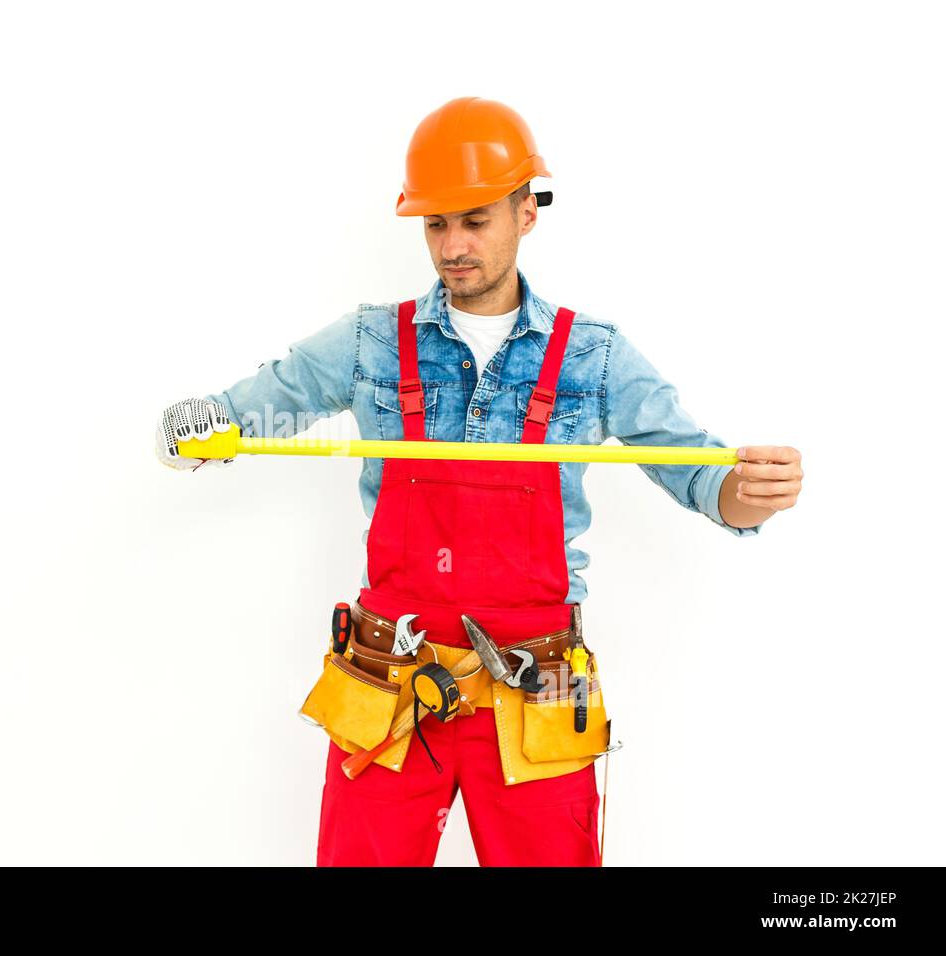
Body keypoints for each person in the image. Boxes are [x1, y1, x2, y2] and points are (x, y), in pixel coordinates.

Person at [156, 96, 804, 866]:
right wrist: (189, 432)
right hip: (392, 680)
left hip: (541, 688)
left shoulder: (591, 357)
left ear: (526, 211)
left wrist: (746, 491)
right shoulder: (370, 343)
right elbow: (243, 417)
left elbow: (699, 473)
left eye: (475, 220)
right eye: (436, 225)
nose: (452, 246)